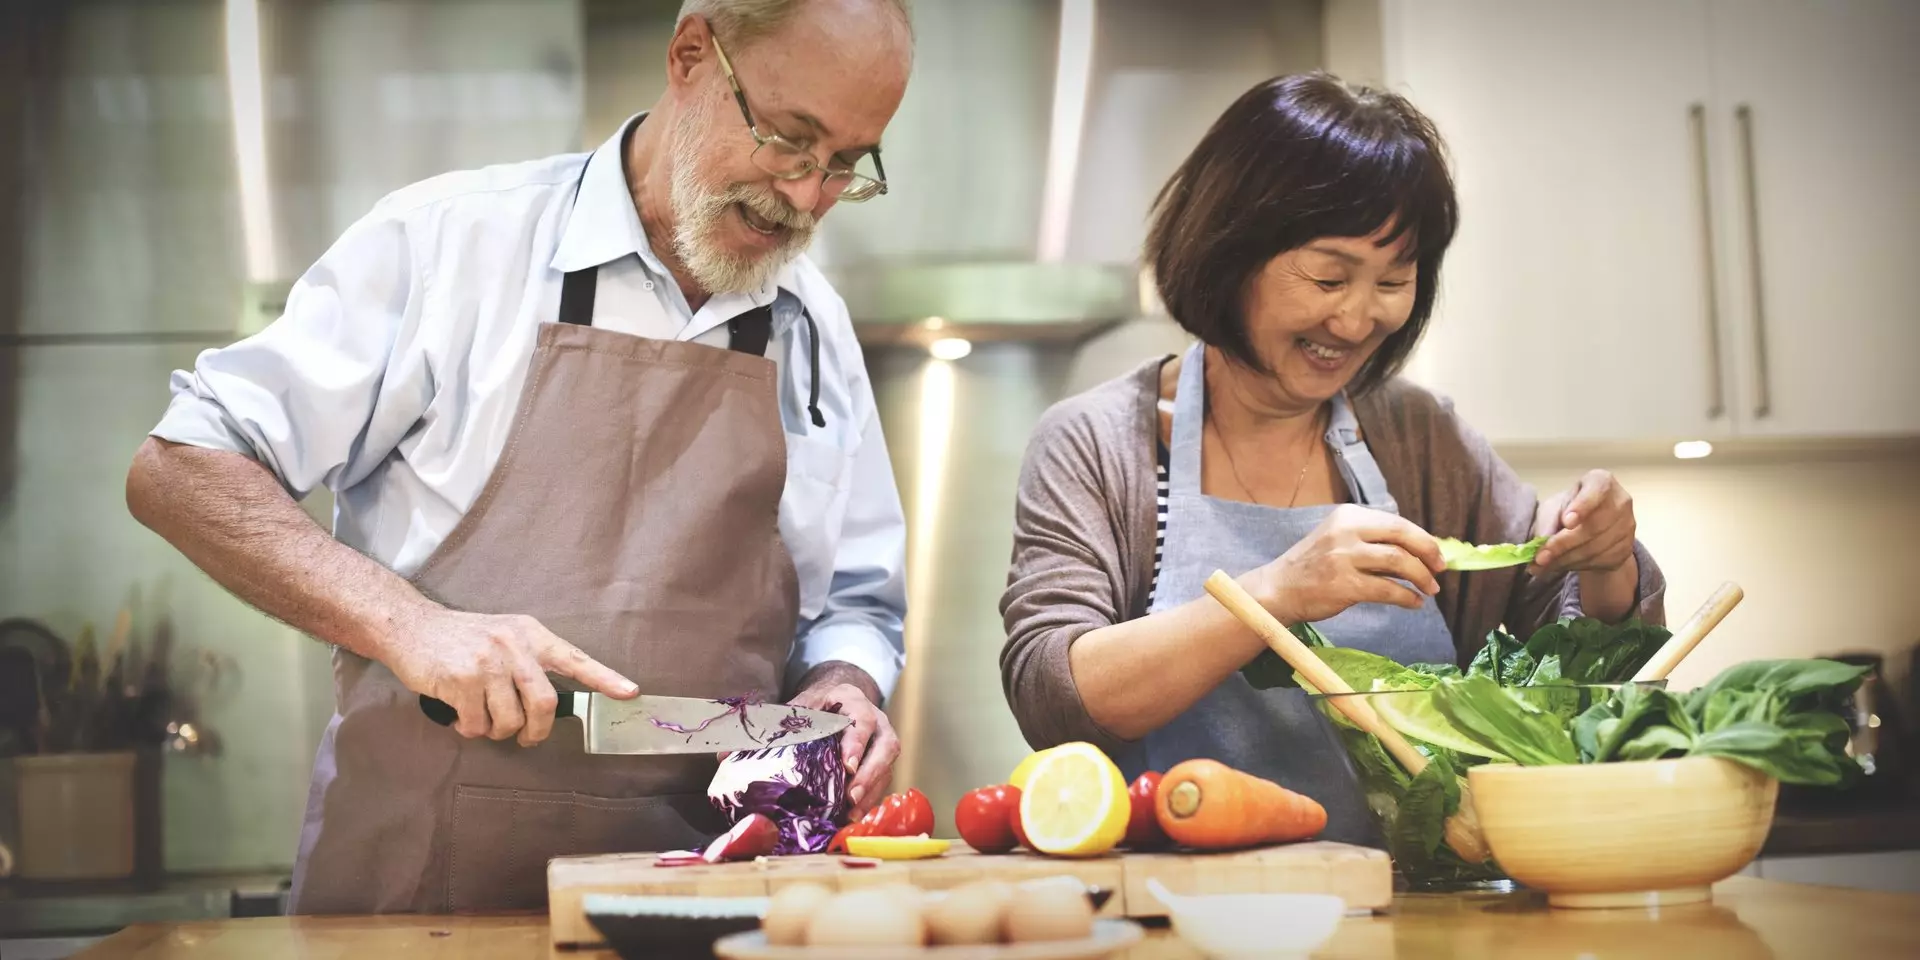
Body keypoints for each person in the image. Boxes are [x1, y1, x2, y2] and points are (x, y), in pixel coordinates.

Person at [126, 0, 913, 913]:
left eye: (847, 164)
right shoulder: (450, 245)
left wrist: (845, 684)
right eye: (789, 138)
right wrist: (412, 625)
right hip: (420, 904)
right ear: (693, 55)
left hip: (708, 906)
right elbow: (183, 463)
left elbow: (856, 600)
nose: (810, 194)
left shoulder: (815, 330)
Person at [998, 73, 1667, 847]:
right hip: (1182, 910)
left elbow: (1576, 664)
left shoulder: (1417, 434)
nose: (1356, 319)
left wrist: (1606, 562)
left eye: (1393, 281)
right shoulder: (1097, 442)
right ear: (1229, 251)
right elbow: (1054, 692)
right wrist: (1277, 591)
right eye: (1327, 276)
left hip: (1426, 907)